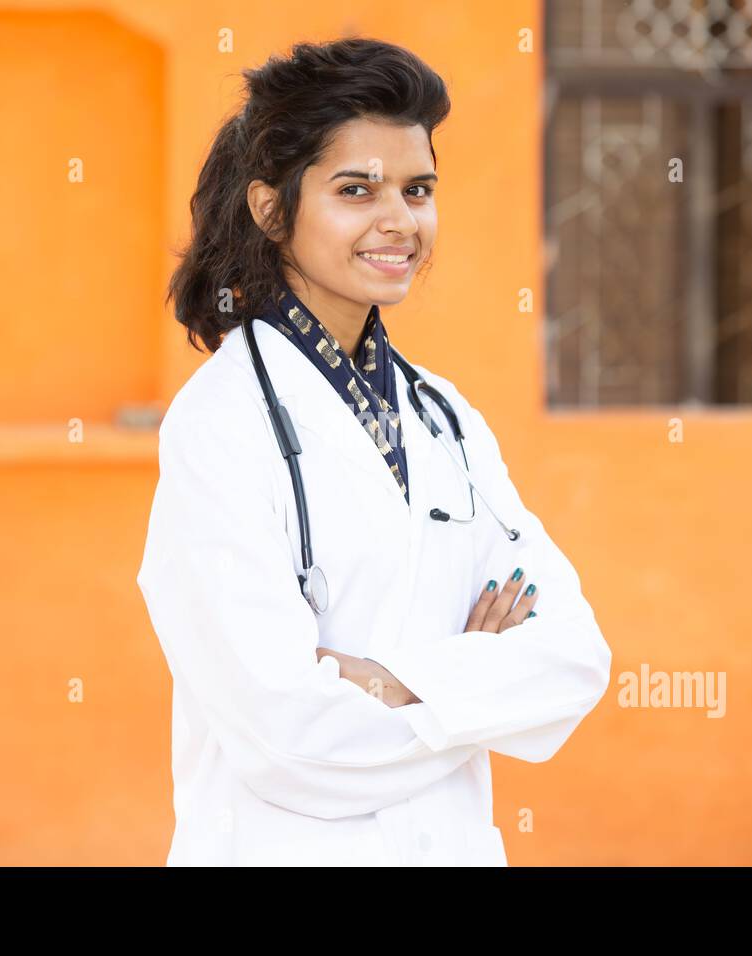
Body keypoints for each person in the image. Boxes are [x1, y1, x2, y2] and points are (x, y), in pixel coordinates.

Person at [136, 37, 612, 866]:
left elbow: (573, 660)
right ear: (272, 209)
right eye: (357, 190)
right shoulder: (221, 424)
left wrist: (386, 681)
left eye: (417, 190)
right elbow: (287, 740)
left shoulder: (445, 416)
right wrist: (474, 684)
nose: (400, 220)